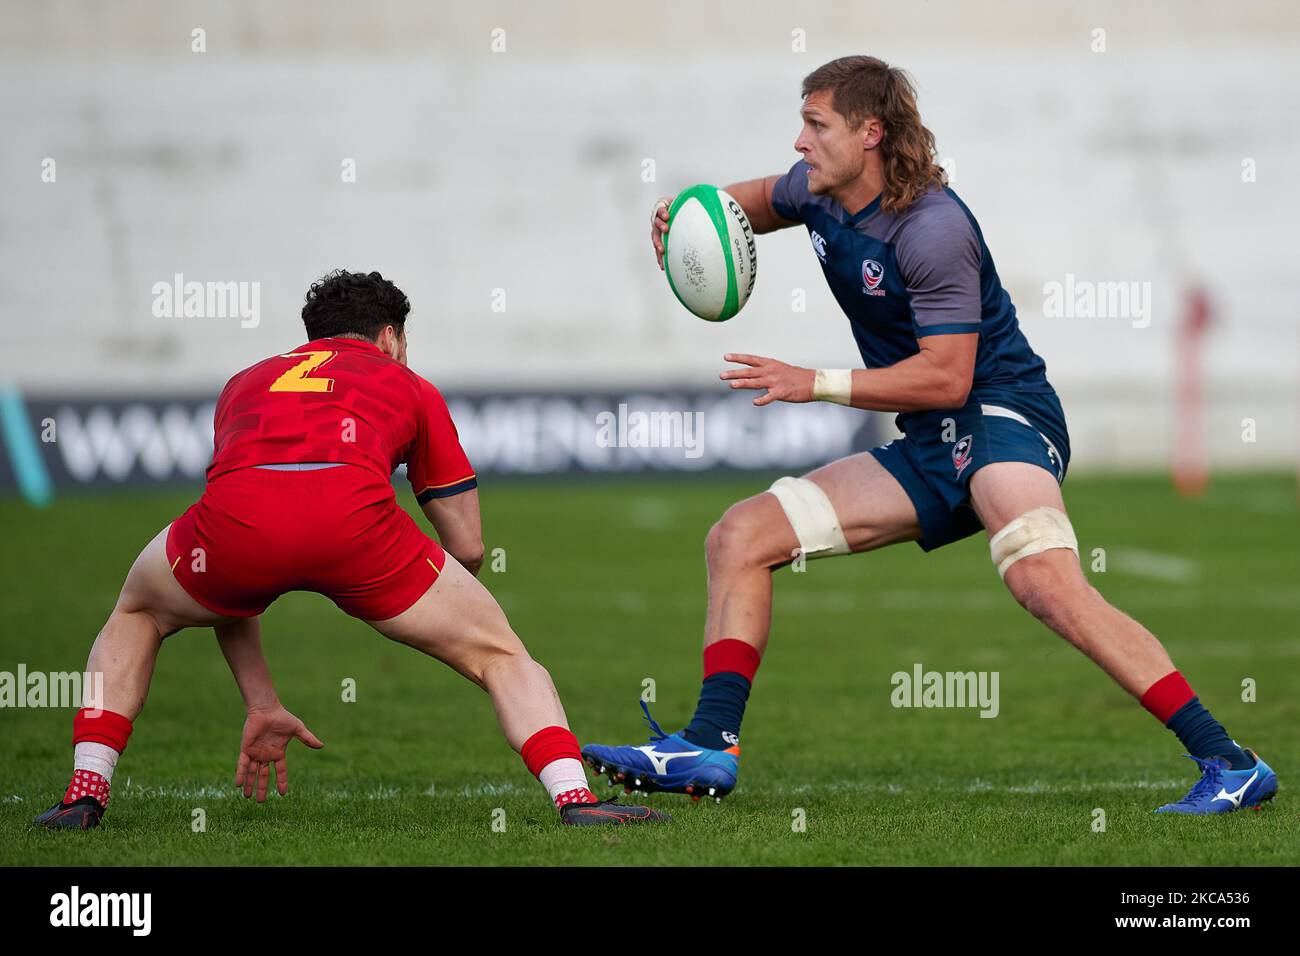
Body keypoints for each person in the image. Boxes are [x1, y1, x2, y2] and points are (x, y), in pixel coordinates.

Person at [582, 56, 1275, 815]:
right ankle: (708, 745)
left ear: (870, 133)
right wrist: (678, 213)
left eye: (817, 125)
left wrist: (813, 381)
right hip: (930, 439)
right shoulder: (813, 189)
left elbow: (948, 377)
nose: (800, 141)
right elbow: (730, 205)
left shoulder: (932, 228)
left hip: (1002, 414)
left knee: (1042, 581)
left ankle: (1229, 760)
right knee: (740, 536)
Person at [36, 269, 668, 829]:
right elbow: (468, 544)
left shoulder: (245, 382)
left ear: (313, 337)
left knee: (139, 611)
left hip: (235, 529)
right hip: (357, 529)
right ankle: (576, 800)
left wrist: (261, 699)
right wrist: (440, 587)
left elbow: (238, 565)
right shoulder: (407, 382)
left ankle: (84, 792)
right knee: (500, 654)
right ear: (389, 337)